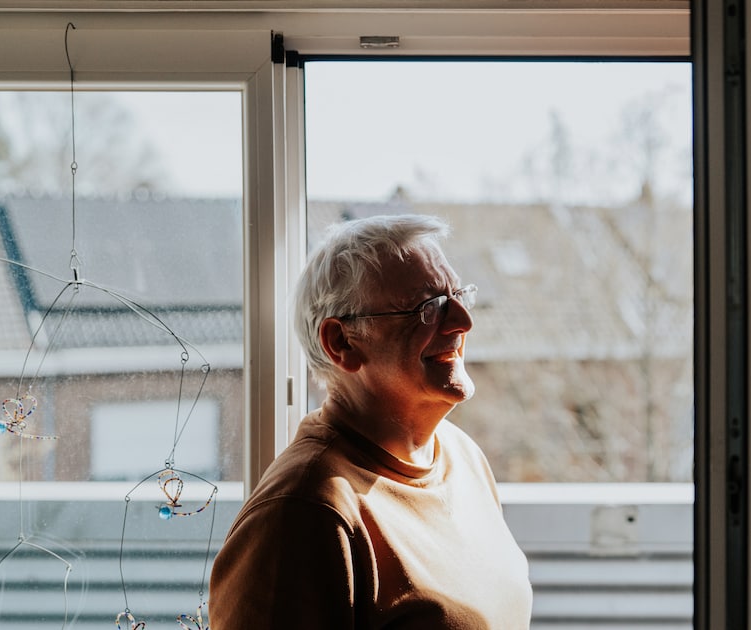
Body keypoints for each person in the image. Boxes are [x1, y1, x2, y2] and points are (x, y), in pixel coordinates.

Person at [208, 214, 533, 629]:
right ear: (341, 342)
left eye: (458, 296)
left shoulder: (461, 454)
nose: (463, 322)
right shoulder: (303, 513)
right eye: (429, 307)